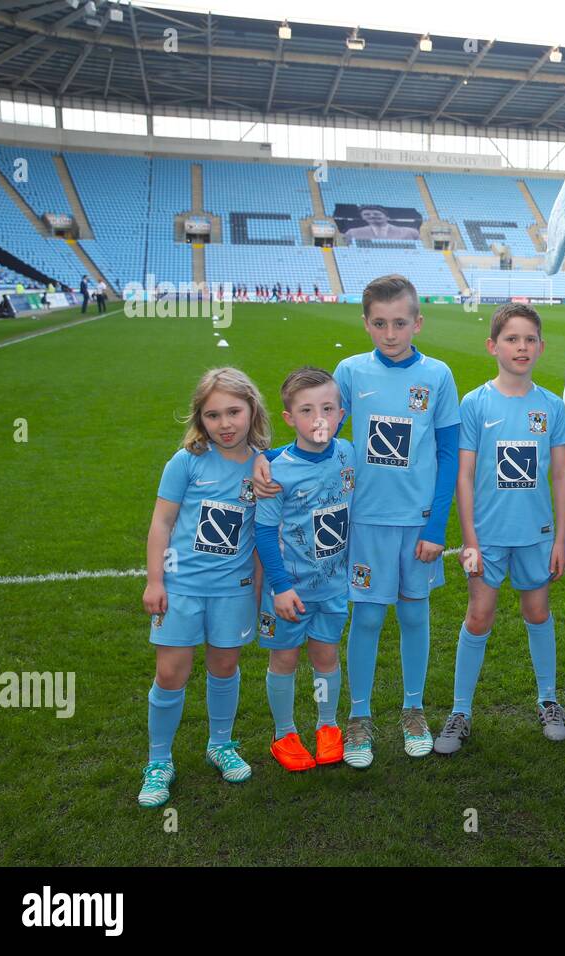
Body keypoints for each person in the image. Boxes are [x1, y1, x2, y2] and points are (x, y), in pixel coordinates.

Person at [253, 274, 459, 766]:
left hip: (417, 522)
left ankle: (413, 711)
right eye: (381, 323)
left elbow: (449, 454)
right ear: (366, 323)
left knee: (414, 613)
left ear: (417, 322)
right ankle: (359, 719)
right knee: (366, 616)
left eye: (401, 323)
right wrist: (268, 457)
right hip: (363, 522)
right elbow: (319, 431)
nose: (391, 333)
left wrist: (436, 529)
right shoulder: (349, 371)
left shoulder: (438, 376)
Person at [434, 304, 565, 755]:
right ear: (493, 346)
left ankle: (549, 701)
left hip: (536, 534)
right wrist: (469, 540)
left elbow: (561, 476)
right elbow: (465, 475)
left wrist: (560, 539)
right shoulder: (475, 404)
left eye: (530, 339)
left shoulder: (551, 406)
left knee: (537, 613)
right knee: (479, 616)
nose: (522, 347)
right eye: (512, 339)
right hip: (488, 537)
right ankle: (460, 711)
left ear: (541, 347)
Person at [137, 368, 271, 808]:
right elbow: (162, 522)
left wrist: (254, 593)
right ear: (201, 418)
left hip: (233, 591)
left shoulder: (264, 464)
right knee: (171, 674)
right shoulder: (187, 460)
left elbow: (261, 533)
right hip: (181, 589)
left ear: (252, 409)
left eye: (234, 411)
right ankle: (159, 761)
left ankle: (221, 744)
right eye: (213, 415)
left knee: (224, 668)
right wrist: (156, 580)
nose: (225, 423)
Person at [254, 367, 354, 772]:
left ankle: (327, 725)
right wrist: (279, 586)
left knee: (326, 656)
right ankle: (284, 733)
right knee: (285, 661)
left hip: (331, 586)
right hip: (288, 591)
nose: (319, 419)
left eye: (327, 408)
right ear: (289, 418)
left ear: (341, 413)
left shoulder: (347, 453)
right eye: (307, 410)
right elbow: (263, 533)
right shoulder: (277, 473)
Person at [344, 205, 420, 242]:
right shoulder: (353, 233)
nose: (372, 216)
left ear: (387, 217)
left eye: (377, 214)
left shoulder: (410, 232)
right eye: (366, 214)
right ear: (362, 218)